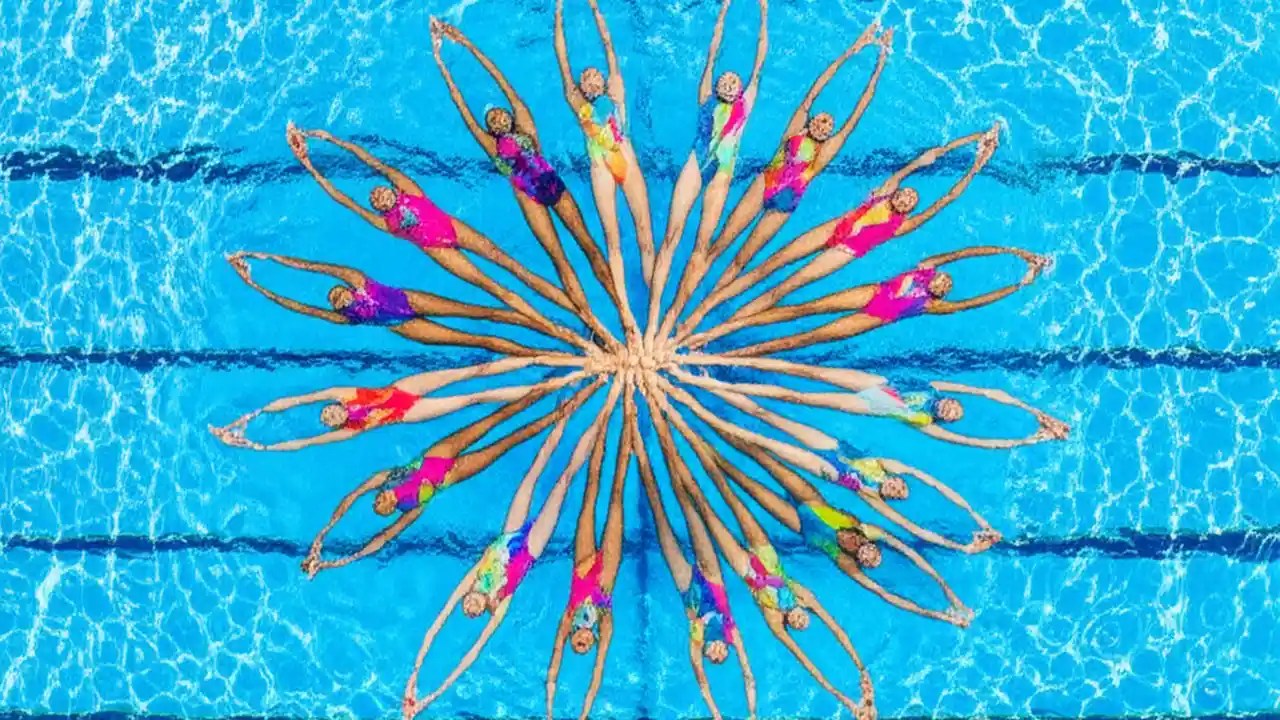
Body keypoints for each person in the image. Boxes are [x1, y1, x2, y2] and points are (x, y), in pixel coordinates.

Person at [643, 383, 875, 720]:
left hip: (744, 572)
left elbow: (804, 664)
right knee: (729, 493)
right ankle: (704, 442)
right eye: (803, 619)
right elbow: (838, 632)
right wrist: (860, 671)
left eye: (796, 622)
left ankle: (680, 449)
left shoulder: (773, 623)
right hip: (767, 558)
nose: (798, 618)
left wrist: (843, 700)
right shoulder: (803, 597)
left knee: (705, 509)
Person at [402, 382, 623, 719]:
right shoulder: (499, 605)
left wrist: (414, 675)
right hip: (531, 550)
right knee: (563, 482)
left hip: (508, 535)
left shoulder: (472, 580)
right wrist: (432, 695)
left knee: (533, 473)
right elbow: (472, 654)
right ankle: (600, 422)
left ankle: (565, 416)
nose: (473, 605)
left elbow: (434, 627)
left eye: (468, 606)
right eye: (476, 611)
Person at [667, 23, 894, 342]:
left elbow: (858, 111)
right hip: (764, 185)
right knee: (717, 246)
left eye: (829, 124)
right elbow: (816, 90)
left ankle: (701, 316)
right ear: (811, 118)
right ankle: (678, 309)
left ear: (831, 133)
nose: (823, 123)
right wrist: (852, 51)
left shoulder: (825, 152)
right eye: (820, 118)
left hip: (784, 205)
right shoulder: (795, 131)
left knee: (745, 261)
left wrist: (880, 63)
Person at [692, 124, 1002, 329]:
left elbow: (946, 200)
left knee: (787, 286)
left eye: (911, 201)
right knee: (770, 264)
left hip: (844, 251)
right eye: (906, 192)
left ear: (911, 210)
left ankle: (733, 322)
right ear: (898, 190)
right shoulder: (884, 192)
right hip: (833, 228)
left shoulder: (901, 226)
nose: (906, 198)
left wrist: (976, 169)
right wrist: (973, 141)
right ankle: (708, 305)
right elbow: (925, 159)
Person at [430, 18, 622, 347]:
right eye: (492, 120)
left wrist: (467, 44)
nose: (498, 118)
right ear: (488, 129)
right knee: (559, 258)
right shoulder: (492, 147)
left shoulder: (527, 127)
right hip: (528, 197)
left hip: (552, 184)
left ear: (511, 115)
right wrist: (441, 63)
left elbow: (502, 82)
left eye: (501, 114)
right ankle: (593, 325)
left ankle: (620, 307)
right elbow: (462, 108)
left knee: (588, 244)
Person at [284, 125, 583, 329]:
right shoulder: (387, 224)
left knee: (509, 263)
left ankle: (573, 307)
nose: (379, 195)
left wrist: (330, 139)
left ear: (390, 189)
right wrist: (311, 168)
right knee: (490, 285)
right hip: (436, 250)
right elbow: (344, 201)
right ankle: (545, 323)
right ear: (377, 207)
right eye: (375, 199)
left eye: (380, 191)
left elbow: (374, 163)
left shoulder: (409, 190)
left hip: (453, 228)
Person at [301, 379, 604, 576]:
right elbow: (381, 540)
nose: (382, 500)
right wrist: (336, 562)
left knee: (493, 418)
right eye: (382, 507)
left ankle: (545, 390)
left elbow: (351, 497)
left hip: (437, 454)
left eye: (378, 499)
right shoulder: (410, 510)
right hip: (454, 474)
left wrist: (323, 533)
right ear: (388, 511)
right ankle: (559, 414)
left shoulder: (386, 477)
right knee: (506, 443)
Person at [676, 372, 1001, 554]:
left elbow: (911, 529)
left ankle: (693, 407)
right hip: (834, 445)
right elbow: (938, 485)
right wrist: (977, 517)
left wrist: (959, 546)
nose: (895, 487)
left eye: (895, 493)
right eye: (901, 486)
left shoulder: (874, 499)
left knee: (763, 442)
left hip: (822, 467)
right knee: (772, 411)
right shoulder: (892, 465)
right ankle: (709, 382)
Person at [646, 0, 768, 346]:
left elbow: (761, 59)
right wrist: (724, 12)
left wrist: (762, 12)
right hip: (696, 166)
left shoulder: (747, 102)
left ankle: (676, 316)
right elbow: (712, 53)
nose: (730, 82)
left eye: (735, 80)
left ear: (741, 88)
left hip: (722, 176)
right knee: (671, 236)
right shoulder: (704, 97)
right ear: (715, 86)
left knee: (702, 245)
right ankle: (655, 313)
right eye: (724, 80)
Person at [629, 404, 755, 720]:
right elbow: (749, 677)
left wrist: (714, 713)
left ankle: (643, 455)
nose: (715, 651)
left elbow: (701, 683)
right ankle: (668, 438)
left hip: (688, 587)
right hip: (712, 577)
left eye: (712, 656)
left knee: (660, 518)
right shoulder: (731, 635)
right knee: (689, 507)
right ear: (726, 650)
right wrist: (751, 714)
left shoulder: (697, 643)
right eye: (719, 653)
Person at [226, 251, 591, 355]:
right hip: (406, 326)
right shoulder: (346, 320)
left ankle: (552, 329)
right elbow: (298, 307)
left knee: (486, 311)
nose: (339, 298)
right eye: (336, 302)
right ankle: (545, 353)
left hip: (410, 300)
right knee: (477, 340)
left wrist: (266, 259)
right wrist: (257, 287)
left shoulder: (355, 277)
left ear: (342, 286)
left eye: (337, 292)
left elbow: (314, 266)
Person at [701, 247, 1049, 353]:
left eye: (945, 285)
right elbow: (967, 253)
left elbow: (976, 303)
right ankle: (733, 325)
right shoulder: (926, 267)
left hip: (874, 318)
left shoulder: (933, 306)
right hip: (872, 292)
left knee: (808, 337)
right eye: (943, 277)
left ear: (944, 295)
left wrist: (1020, 285)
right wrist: (1013, 252)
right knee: (806, 307)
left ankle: (738, 352)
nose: (941, 282)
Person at [676, 355, 1071, 449]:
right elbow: (992, 394)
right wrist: (1036, 413)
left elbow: (978, 443)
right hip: (877, 383)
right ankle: (707, 361)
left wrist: (1032, 439)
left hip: (872, 405)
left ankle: (716, 387)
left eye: (952, 415)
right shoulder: (937, 387)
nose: (950, 409)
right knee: (803, 372)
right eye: (953, 405)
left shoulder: (929, 426)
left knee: (800, 397)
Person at [208, 357, 586, 452]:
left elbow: (295, 400)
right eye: (328, 419)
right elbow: (302, 444)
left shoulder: (343, 393)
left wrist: (252, 414)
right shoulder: (349, 431)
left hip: (402, 389)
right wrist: (259, 445)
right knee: (474, 397)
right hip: (407, 413)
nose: (330, 414)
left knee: (474, 371)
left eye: (327, 411)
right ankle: (552, 385)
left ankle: (538, 361)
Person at [554, 0, 655, 309]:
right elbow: (562, 58)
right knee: (612, 240)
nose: (592, 77)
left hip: (626, 160)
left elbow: (609, 46)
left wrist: (595, 10)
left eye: (596, 74)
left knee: (644, 232)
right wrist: (559, 13)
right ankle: (623, 307)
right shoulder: (575, 101)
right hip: (600, 168)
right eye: (586, 77)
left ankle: (653, 301)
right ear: (582, 86)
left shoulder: (617, 91)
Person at [545, 385, 635, 720]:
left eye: (576, 645)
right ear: (592, 642)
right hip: (608, 569)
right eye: (586, 645)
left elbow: (554, 663)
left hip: (582, 564)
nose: (581, 642)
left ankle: (600, 429)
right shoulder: (605, 629)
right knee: (616, 496)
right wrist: (584, 715)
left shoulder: (567, 621)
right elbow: (597, 676)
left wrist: (552, 708)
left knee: (589, 494)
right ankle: (627, 428)